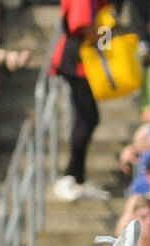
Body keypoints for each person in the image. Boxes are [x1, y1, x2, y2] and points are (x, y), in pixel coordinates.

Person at [50, 0, 110, 202]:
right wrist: (104, 38)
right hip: (76, 62)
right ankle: (70, 176)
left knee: (86, 119)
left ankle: (78, 177)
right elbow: (81, 25)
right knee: (88, 118)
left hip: (84, 62)